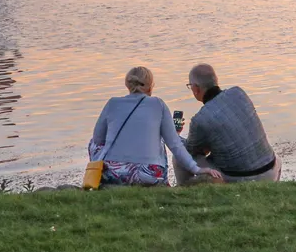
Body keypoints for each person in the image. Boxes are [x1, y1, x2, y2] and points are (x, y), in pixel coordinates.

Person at [88, 67, 222, 187]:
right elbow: (175, 144)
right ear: (150, 86)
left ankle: (107, 170)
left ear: (127, 84)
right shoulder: (158, 104)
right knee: (162, 140)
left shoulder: (112, 103)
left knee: (93, 143)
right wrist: (197, 169)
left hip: (114, 174)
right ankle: (163, 182)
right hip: (149, 174)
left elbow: (98, 139)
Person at [175, 64, 279, 184]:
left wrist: (175, 134)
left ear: (196, 88)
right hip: (271, 171)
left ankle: (184, 191)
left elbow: (189, 151)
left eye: (190, 86)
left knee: (179, 157)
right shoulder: (239, 93)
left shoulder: (200, 120)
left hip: (242, 178)